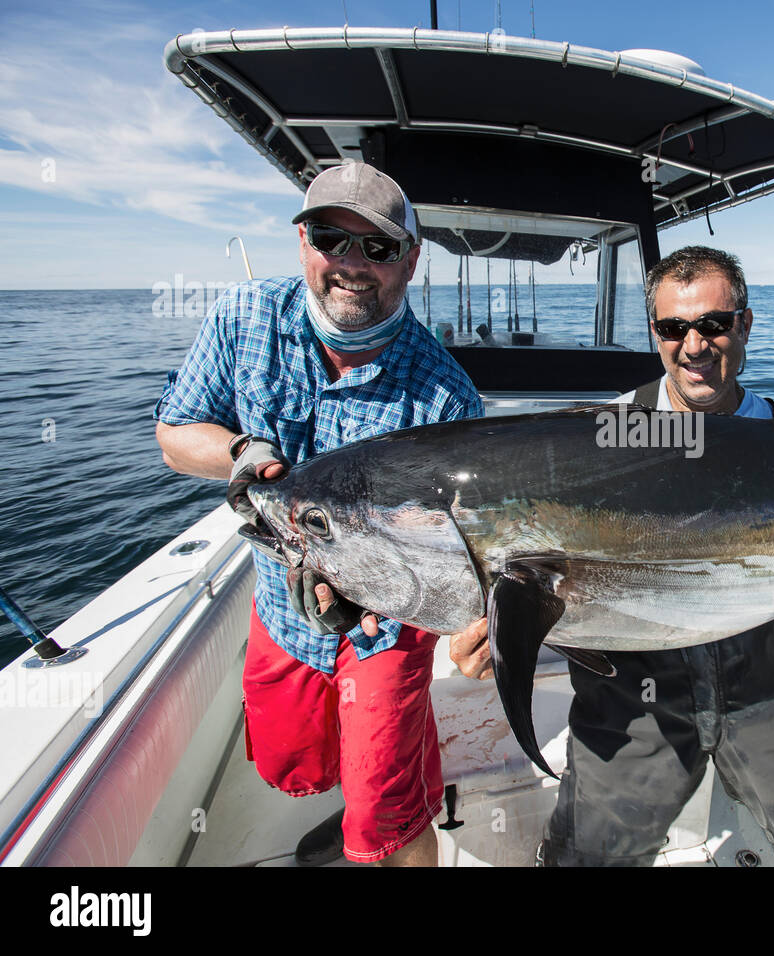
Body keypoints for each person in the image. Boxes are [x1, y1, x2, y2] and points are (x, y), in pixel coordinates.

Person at [450, 245, 774, 866]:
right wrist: (500, 635)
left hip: (771, 687)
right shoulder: (607, 433)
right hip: (632, 704)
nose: (694, 345)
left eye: (713, 324)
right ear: (655, 334)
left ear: (744, 324)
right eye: (674, 328)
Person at [153, 162, 483, 866]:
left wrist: (408, 604)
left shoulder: (447, 397)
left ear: (412, 260)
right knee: (291, 765)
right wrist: (240, 453)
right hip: (278, 605)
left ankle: (396, 807)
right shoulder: (245, 317)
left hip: (383, 625)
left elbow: (460, 553)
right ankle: (391, 766)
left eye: (380, 247)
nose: (352, 264)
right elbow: (176, 435)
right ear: (302, 240)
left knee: (381, 825)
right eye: (332, 238)